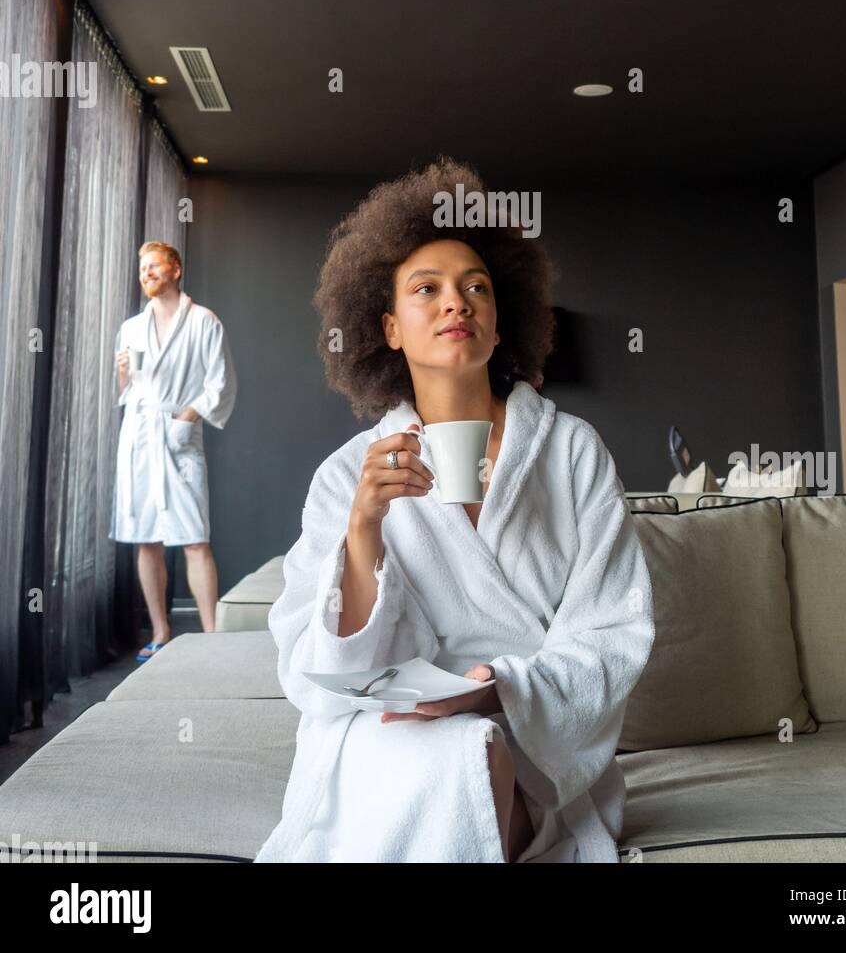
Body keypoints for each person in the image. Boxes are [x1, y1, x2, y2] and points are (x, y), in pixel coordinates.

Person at [255, 156, 655, 864]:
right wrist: (362, 531)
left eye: (477, 288)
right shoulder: (349, 475)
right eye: (427, 289)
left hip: (532, 744)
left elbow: (613, 633)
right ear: (389, 329)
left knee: (479, 748)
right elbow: (314, 669)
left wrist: (502, 690)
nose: (457, 302)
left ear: (501, 324)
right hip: (386, 731)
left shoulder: (570, 453)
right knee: (443, 755)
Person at [112, 241, 237, 661]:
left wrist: (186, 418)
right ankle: (161, 631)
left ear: (176, 268)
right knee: (145, 539)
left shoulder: (204, 322)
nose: (146, 272)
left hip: (178, 437)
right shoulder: (131, 327)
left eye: (154, 265)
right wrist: (122, 375)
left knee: (194, 539)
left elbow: (218, 383)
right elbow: (125, 392)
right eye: (141, 268)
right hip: (140, 439)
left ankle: (211, 633)